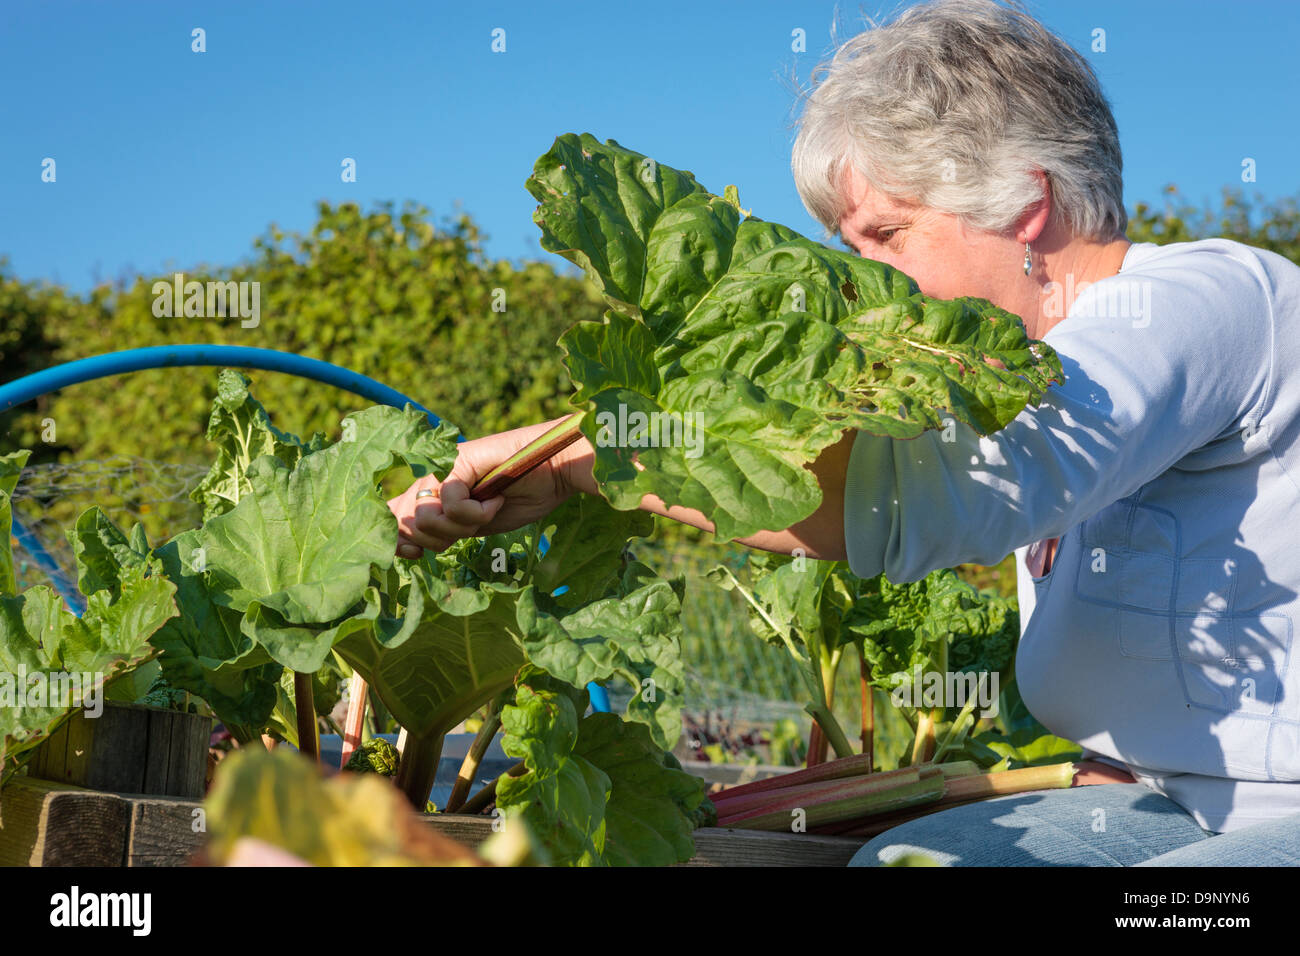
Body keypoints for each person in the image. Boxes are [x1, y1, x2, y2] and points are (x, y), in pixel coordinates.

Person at [389, 0, 1300, 865]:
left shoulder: (1204, 301)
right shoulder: (1015, 370)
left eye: (887, 235)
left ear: (1026, 204)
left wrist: (580, 459)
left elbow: (930, 491)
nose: (864, 286)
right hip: (1164, 805)